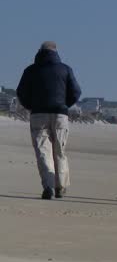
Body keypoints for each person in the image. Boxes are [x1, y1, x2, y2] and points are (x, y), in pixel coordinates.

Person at [16, 41, 82, 200]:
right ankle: (60, 186)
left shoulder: (30, 70)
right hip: (60, 114)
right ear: (56, 52)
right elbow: (76, 92)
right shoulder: (65, 69)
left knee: (43, 151)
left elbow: (21, 92)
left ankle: (48, 185)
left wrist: (31, 106)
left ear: (39, 52)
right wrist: (64, 105)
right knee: (60, 151)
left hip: (38, 114)